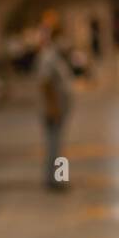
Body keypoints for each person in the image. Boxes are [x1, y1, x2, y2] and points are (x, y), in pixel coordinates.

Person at [36, 19, 75, 190]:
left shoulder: (56, 56)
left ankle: (56, 178)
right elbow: (45, 82)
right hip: (53, 109)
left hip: (59, 107)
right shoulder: (49, 56)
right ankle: (57, 180)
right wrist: (53, 107)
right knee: (55, 146)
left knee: (57, 144)